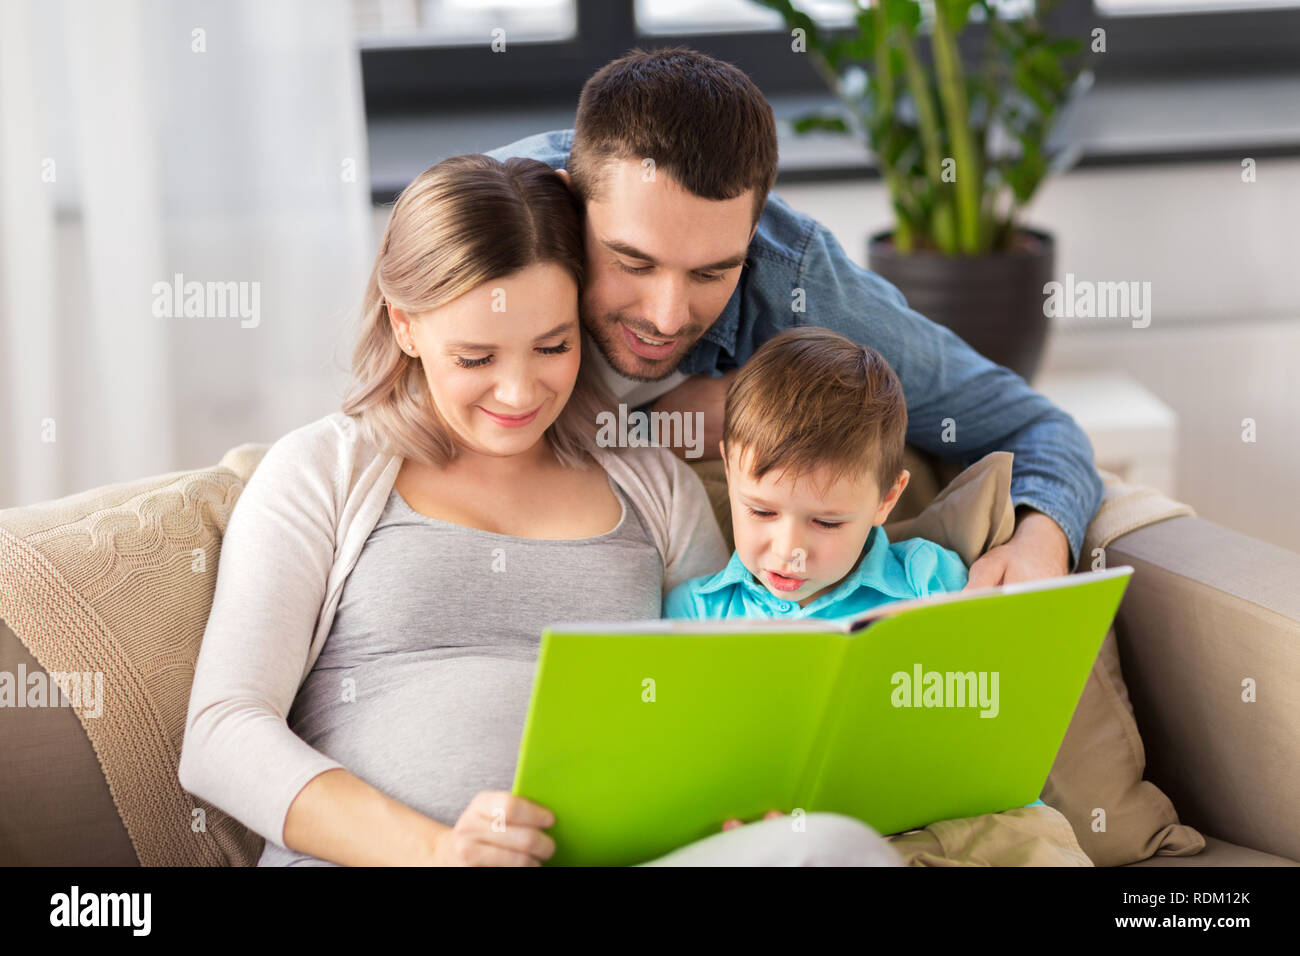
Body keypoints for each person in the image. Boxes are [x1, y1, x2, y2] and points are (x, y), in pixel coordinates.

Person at [178, 152, 903, 866]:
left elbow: (723, 698)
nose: (520, 393)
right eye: (475, 359)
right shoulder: (322, 471)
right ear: (405, 325)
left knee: (832, 847)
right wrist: (438, 852)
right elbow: (221, 732)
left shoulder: (653, 484)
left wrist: (748, 800)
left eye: (552, 346)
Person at [484, 47, 1101, 595]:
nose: (666, 318)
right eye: (633, 263)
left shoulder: (793, 279)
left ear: (751, 236)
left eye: (710, 273)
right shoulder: (475, 237)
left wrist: (1040, 544)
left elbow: (1035, 426)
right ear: (569, 202)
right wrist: (656, 428)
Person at [664, 327, 968, 621]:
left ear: (886, 499)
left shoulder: (929, 581)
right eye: (762, 511)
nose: (788, 551)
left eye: (827, 522)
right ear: (730, 474)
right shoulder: (695, 611)